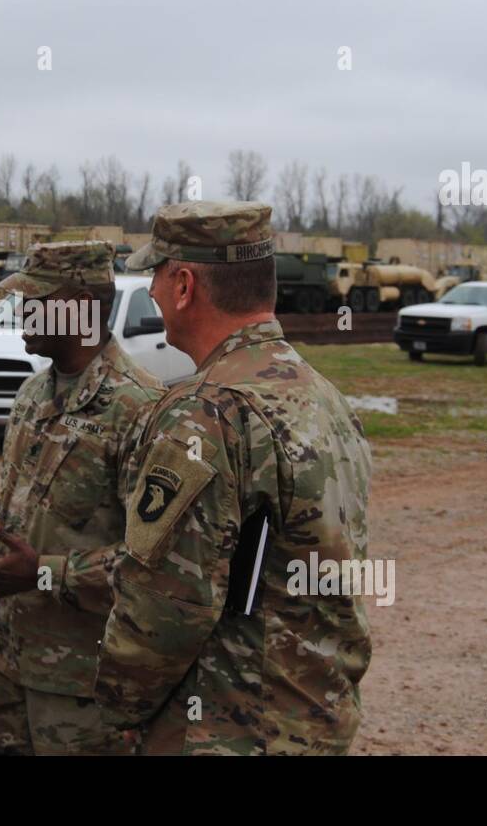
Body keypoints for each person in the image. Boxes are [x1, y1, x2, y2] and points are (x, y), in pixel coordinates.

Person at [94, 201, 373, 755]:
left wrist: (118, 709)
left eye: (155, 273)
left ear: (183, 284)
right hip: (312, 722)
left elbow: (167, 609)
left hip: (226, 731)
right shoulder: (324, 397)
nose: (148, 291)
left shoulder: (206, 412)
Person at [0, 241, 163, 755]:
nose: (19, 311)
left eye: (33, 299)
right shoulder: (35, 394)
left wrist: (46, 573)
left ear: (77, 305)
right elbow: (20, 506)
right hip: (6, 677)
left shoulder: (141, 412)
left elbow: (156, 567)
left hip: (82, 698)